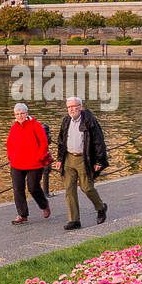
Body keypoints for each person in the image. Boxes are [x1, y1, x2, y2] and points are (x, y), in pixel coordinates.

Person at [57, 95, 108, 230]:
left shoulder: (89, 120)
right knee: (69, 189)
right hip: (68, 158)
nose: (71, 109)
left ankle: (101, 207)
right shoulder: (66, 120)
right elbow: (61, 140)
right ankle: (74, 220)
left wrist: (98, 160)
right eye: (69, 107)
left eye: (74, 106)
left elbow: (98, 141)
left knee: (87, 187)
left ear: (80, 107)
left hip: (84, 159)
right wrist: (60, 159)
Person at [6, 102, 52, 225]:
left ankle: (44, 205)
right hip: (17, 163)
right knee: (18, 189)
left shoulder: (35, 125)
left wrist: (39, 157)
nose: (20, 116)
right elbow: (9, 143)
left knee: (33, 187)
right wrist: (11, 157)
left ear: (27, 113)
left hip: (34, 163)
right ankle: (22, 214)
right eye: (17, 114)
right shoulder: (14, 127)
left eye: (22, 113)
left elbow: (43, 142)